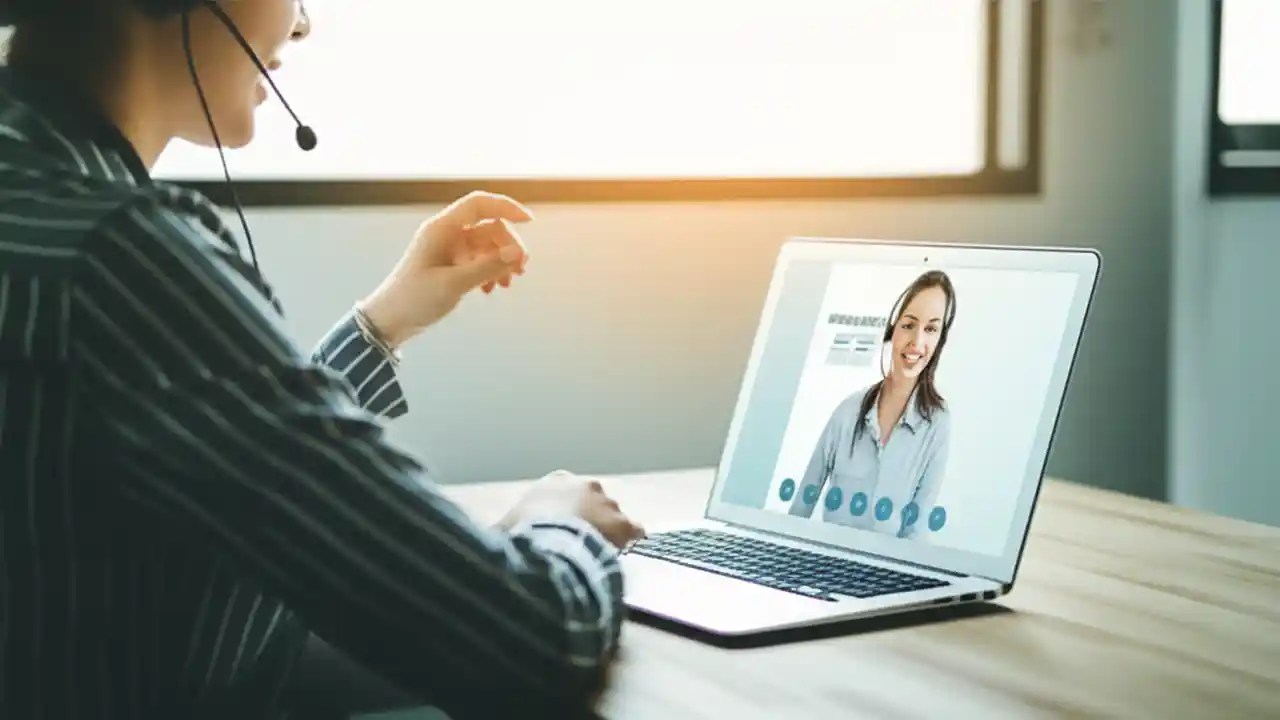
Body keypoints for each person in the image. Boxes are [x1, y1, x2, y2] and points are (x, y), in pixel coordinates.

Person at [0, 1, 645, 718]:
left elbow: (200, 466)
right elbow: (527, 640)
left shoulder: (34, 200)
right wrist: (561, 521)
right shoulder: (115, 251)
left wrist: (382, 325)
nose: (302, 24)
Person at [787, 271, 955, 539]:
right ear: (892, 329)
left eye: (931, 329)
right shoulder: (848, 411)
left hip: (890, 571)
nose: (918, 342)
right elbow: (800, 509)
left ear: (940, 341)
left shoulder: (938, 423)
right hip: (831, 563)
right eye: (909, 325)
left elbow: (917, 528)